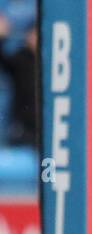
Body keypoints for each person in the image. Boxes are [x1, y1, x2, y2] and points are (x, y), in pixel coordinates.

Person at [0, 17, 37, 145]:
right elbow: (3, 61)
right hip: (23, 125)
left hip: (44, 122)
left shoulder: (51, 64)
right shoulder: (21, 58)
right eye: (33, 33)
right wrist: (1, 38)